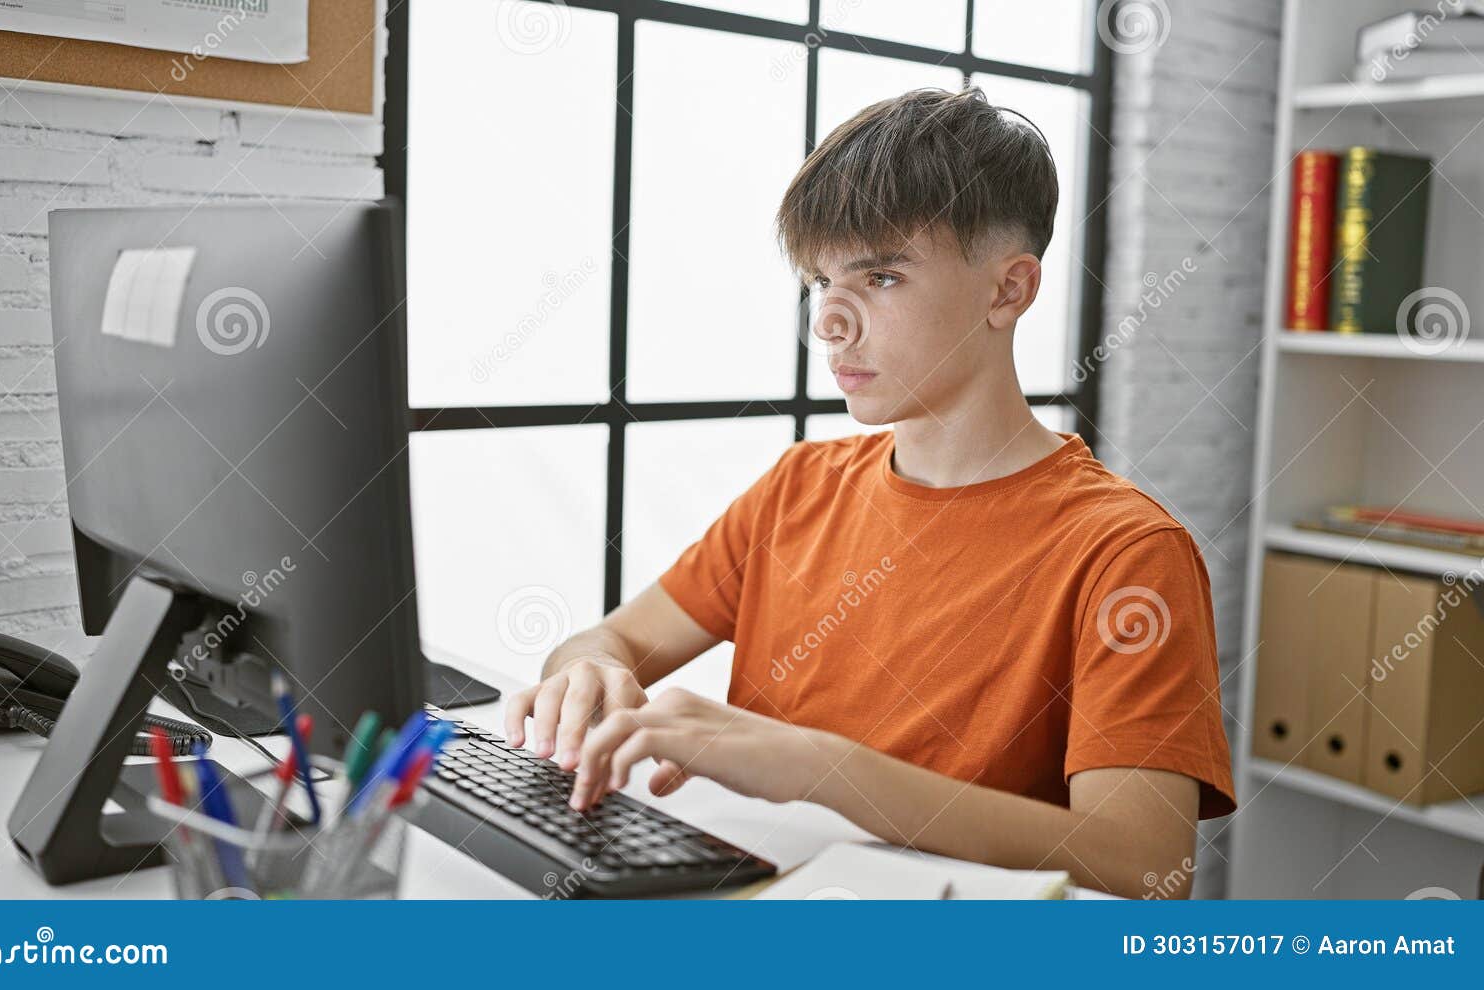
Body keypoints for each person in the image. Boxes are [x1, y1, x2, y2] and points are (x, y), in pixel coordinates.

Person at [502, 87, 1234, 899]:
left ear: (1008, 291)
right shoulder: (798, 488)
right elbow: (611, 643)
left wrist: (822, 767)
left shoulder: (1126, 554)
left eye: (881, 276)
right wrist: (589, 669)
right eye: (821, 281)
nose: (830, 323)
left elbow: (1146, 866)